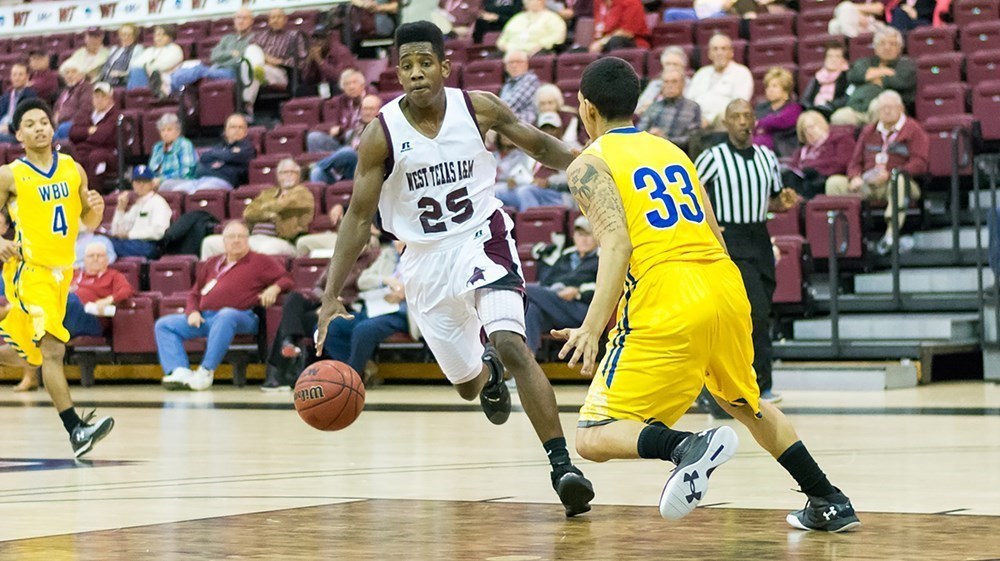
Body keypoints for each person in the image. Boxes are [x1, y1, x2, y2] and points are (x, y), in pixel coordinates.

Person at [555, 56, 860, 532]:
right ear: (635, 106)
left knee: (593, 435)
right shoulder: (672, 151)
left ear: (586, 108)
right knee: (747, 402)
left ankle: (687, 447)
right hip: (723, 281)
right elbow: (715, 232)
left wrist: (592, 327)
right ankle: (828, 498)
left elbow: (617, 245)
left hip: (666, 291)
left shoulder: (588, 165)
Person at [314, 21, 594, 517]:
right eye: (406, 66)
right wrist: (331, 293)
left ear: (444, 66)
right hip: (424, 262)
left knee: (511, 342)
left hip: (482, 238)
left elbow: (538, 146)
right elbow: (357, 217)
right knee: (467, 386)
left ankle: (562, 467)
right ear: (397, 73)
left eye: (425, 63)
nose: (416, 73)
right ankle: (488, 374)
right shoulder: (381, 134)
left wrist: (589, 166)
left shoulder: (478, 107)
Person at [0, 98, 115, 457]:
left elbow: (87, 221)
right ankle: (76, 430)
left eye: (43, 122)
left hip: (62, 274)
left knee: (30, 354)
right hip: (29, 270)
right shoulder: (9, 174)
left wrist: (97, 212)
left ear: (52, 127)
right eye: (30, 124)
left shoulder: (73, 169)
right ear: (19, 135)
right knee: (52, 348)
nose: (39, 128)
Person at [694, 98, 795, 404]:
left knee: (762, 311)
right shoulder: (712, 157)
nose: (742, 121)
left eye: (747, 116)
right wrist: (708, 228)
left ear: (755, 121)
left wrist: (783, 202)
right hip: (729, 240)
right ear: (726, 122)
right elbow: (690, 194)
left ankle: (749, 382)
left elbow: (774, 198)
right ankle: (757, 385)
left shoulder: (767, 157)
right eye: (736, 116)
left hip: (759, 237)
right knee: (752, 312)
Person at [157, 221, 293, 391]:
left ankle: (206, 371)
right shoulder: (212, 263)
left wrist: (274, 288)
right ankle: (179, 372)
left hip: (242, 316)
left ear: (248, 239)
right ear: (224, 241)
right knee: (164, 325)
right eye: (231, 237)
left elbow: (288, 278)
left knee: (226, 314)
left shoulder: (260, 261)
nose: (236, 240)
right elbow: (194, 293)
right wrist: (192, 311)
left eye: (241, 236)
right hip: (207, 317)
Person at [262, 227, 382, 391]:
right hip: (326, 302)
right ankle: (289, 343)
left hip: (349, 307)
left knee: (296, 321)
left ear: (367, 245)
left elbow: (369, 289)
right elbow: (318, 287)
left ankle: (279, 368)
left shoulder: (374, 260)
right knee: (294, 298)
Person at [12, 241, 135, 392]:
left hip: (91, 319)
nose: (95, 259)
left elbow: (127, 291)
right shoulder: (75, 275)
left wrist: (109, 299)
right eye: (91, 256)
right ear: (84, 259)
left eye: (100, 256)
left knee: (67, 300)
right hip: (66, 315)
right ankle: (30, 374)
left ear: (107, 259)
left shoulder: (113, 276)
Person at [834, 89, 927, 254]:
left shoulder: (913, 130)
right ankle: (848, 238)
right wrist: (854, 177)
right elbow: (855, 162)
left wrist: (891, 173)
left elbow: (920, 163)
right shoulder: (869, 130)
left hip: (899, 182)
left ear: (901, 108)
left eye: (890, 107)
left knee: (898, 181)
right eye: (882, 108)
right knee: (834, 183)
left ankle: (891, 233)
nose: (886, 111)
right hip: (869, 182)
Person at [202, 158, 314, 258]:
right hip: (253, 238)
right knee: (210, 243)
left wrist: (264, 208)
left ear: (299, 176)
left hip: (281, 240)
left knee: (264, 251)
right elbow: (248, 213)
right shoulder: (267, 193)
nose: (288, 175)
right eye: (284, 172)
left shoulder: (303, 193)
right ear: (278, 176)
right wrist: (270, 214)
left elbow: (282, 205)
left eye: (293, 172)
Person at [525, 215, 598, 356]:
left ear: (596, 237)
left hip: (580, 308)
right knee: (532, 310)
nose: (583, 239)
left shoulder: (601, 258)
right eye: (580, 235)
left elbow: (607, 288)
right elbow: (547, 280)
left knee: (524, 289)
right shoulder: (566, 255)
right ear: (574, 236)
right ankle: (527, 359)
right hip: (555, 303)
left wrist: (578, 291)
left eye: (588, 235)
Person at [830, 28, 915, 126]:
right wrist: (883, 71)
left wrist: (870, 76)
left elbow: (900, 82)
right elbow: (854, 75)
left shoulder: (906, 64)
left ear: (899, 48)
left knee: (879, 106)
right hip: (858, 108)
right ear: (876, 48)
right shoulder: (864, 62)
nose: (887, 47)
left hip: (888, 110)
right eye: (882, 43)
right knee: (838, 117)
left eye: (892, 44)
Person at [160, 114, 255, 194]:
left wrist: (218, 155)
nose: (237, 130)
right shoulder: (219, 146)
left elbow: (231, 157)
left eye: (240, 127)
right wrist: (226, 154)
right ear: (226, 130)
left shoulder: (247, 147)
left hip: (223, 181)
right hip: (201, 179)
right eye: (233, 127)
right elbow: (204, 157)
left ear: (246, 132)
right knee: (176, 190)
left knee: (200, 193)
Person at [685, 34, 753, 130]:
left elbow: (738, 105)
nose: (719, 53)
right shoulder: (701, 73)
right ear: (709, 54)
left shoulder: (741, 73)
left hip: (722, 121)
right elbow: (688, 101)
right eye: (715, 49)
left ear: (731, 52)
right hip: (697, 120)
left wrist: (709, 119)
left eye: (723, 49)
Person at [310, 95, 382, 184]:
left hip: (366, 171)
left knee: (348, 151)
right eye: (365, 109)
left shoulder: (383, 128)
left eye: (371, 109)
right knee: (317, 172)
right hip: (348, 171)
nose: (367, 112)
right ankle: (317, 169)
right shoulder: (355, 130)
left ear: (379, 110)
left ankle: (316, 164)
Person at [786, 111, 855, 199]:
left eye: (811, 127)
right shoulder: (802, 151)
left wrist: (814, 166)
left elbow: (843, 163)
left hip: (826, 179)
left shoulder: (841, 139)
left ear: (821, 124)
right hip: (804, 183)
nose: (809, 132)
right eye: (804, 130)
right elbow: (793, 167)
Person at [109, 165, 173, 258]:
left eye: (145, 182)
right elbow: (117, 231)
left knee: (106, 245)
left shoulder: (158, 202)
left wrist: (129, 235)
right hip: (132, 243)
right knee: (104, 243)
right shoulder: (137, 205)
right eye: (138, 182)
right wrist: (120, 209)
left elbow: (158, 232)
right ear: (133, 184)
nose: (141, 185)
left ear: (152, 184)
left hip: (150, 245)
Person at [68, 82, 120, 192]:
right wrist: (89, 131)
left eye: (103, 97)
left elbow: (103, 136)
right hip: (85, 150)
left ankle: (93, 193)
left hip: (108, 152)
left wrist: (83, 136)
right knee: (69, 152)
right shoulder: (87, 114)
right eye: (96, 97)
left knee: (95, 157)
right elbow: (73, 132)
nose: (99, 100)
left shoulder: (115, 115)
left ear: (110, 99)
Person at [306, 68, 374, 154]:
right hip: (343, 141)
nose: (351, 87)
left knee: (350, 133)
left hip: (362, 141)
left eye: (354, 82)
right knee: (313, 137)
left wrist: (342, 130)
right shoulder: (341, 101)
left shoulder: (371, 97)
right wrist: (337, 130)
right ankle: (328, 162)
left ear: (362, 85)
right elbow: (337, 125)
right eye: (347, 84)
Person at [636, 68, 701, 153]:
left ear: (683, 84)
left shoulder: (692, 108)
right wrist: (650, 136)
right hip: (651, 151)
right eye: (666, 82)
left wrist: (665, 139)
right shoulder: (653, 106)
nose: (670, 86)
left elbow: (692, 140)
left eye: (674, 81)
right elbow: (639, 132)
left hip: (679, 155)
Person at [250, 9, 307, 92]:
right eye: (273, 17)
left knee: (254, 73)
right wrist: (264, 58)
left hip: (280, 72)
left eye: (279, 17)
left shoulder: (294, 36)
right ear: (269, 21)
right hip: (259, 65)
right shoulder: (259, 36)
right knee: (248, 71)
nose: (275, 20)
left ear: (285, 20)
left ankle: (245, 100)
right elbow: (251, 52)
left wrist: (279, 62)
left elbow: (301, 62)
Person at [753, 67, 803, 158]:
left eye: (774, 86)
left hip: (783, 150)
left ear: (785, 90)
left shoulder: (794, 108)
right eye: (768, 86)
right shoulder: (761, 108)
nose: (770, 90)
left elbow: (780, 121)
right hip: (761, 150)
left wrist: (760, 123)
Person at [127, 24, 184, 98]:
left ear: (170, 37)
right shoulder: (149, 50)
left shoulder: (175, 49)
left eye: (163, 35)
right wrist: (147, 66)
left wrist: (146, 66)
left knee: (137, 71)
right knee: (135, 71)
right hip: (146, 77)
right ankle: (136, 98)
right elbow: (134, 64)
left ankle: (138, 98)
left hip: (163, 80)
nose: (159, 38)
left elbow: (163, 66)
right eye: (157, 35)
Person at [496, 0, 567, 55]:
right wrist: (504, 46)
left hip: (539, 52)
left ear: (543, 1)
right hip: (510, 52)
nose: (532, 2)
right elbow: (503, 38)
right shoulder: (516, 18)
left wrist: (541, 45)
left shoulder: (553, 18)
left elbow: (558, 36)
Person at [148, 113, 197, 190]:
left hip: (182, 183)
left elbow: (186, 173)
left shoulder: (184, 144)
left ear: (178, 131)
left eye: (169, 130)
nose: (165, 133)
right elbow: (151, 170)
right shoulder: (157, 147)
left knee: (165, 185)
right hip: (157, 184)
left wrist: (161, 180)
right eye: (162, 130)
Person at [801, 43, 850, 120]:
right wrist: (812, 109)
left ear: (844, 60)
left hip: (834, 111)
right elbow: (805, 99)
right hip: (814, 111)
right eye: (830, 56)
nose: (833, 59)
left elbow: (847, 98)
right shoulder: (818, 76)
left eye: (837, 56)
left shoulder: (849, 76)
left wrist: (828, 105)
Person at [636, 46, 690, 116]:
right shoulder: (655, 84)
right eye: (668, 64)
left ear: (683, 67)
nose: (671, 67)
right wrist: (642, 108)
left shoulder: (690, 85)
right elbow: (639, 106)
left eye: (675, 64)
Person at [499, 50, 542, 124]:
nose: (514, 65)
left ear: (526, 64)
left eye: (518, 62)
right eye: (510, 62)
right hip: (507, 122)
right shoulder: (507, 85)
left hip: (524, 124)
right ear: (506, 67)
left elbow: (510, 106)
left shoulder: (530, 79)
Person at [0, 63, 39, 143]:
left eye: (20, 75)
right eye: (14, 75)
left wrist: (9, 128)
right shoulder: (6, 96)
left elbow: (27, 121)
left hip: (17, 134)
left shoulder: (31, 96)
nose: (17, 78)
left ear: (27, 76)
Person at [53, 64, 93, 140]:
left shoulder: (86, 87)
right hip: (59, 125)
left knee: (58, 134)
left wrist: (73, 122)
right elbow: (57, 108)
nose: (69, 75)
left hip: (75, 125)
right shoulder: (65, 91)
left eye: (74, 72)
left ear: (82, 74)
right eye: (67, 73)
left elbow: (86, 109)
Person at [98, 24, 144, 88]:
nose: (126, 37)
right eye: (124, 34)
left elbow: (134, 70)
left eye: (130, 35)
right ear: (120, 36)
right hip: (105, 81)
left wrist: (120, 73)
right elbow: (106, 66)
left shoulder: (137, 49)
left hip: (121, 82)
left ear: (134, 36)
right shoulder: (114, 49)